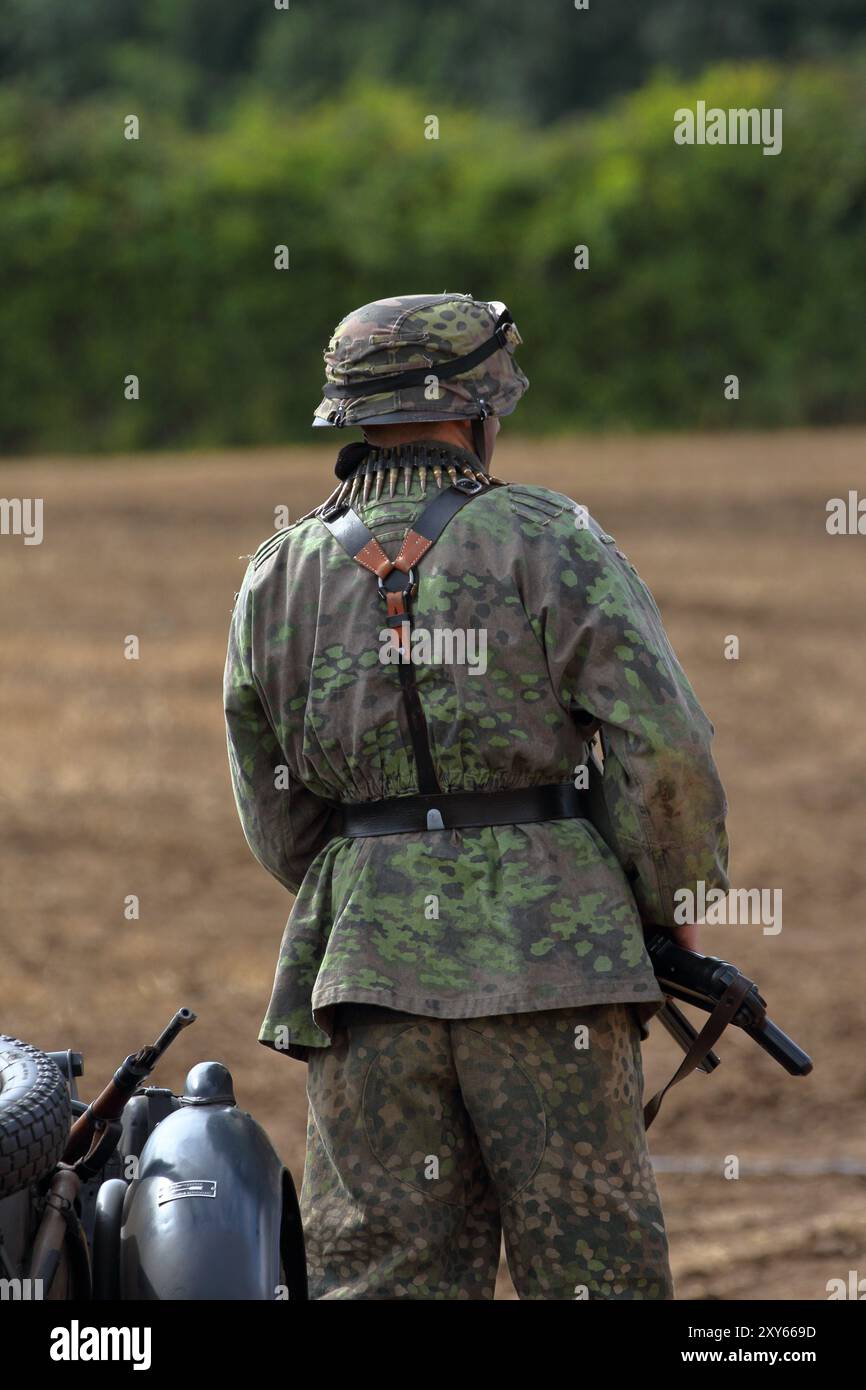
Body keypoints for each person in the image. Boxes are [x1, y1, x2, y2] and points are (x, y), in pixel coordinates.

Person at [224, 292, 729, 1299]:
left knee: (379, 1278)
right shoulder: (550, 538)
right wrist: (662, 910)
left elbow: (274, 808)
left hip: (363, 974)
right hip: (555, 968)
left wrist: (369, 876)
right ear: (479, 405)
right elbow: (664, 755)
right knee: (592, 1272)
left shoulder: (275, 574)